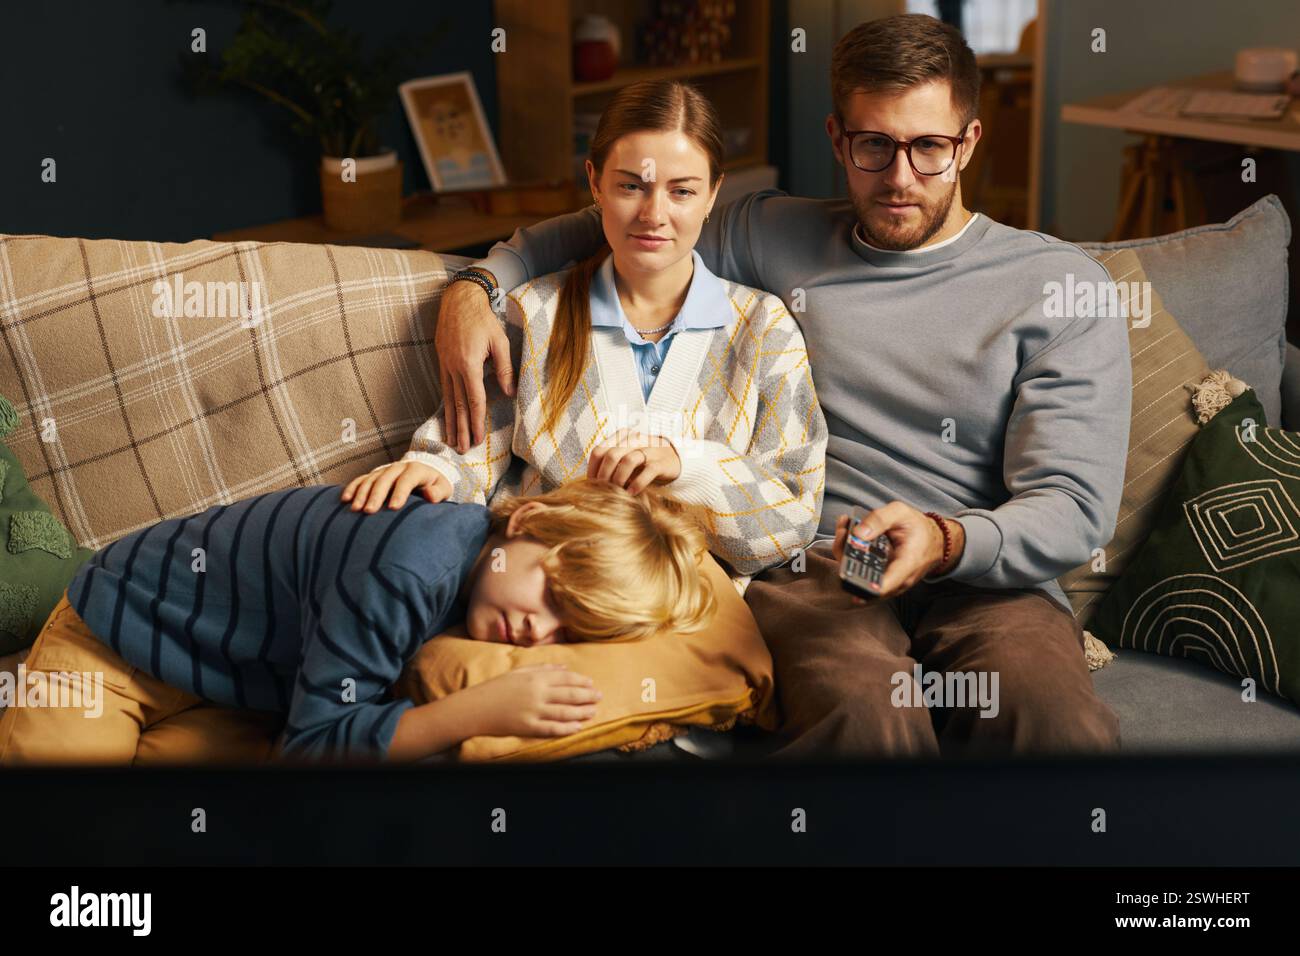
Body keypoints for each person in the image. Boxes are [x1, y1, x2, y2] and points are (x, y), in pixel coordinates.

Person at [426, 15, 1131, 757]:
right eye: (874, 146)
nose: (898, 178)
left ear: (971, 141)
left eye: (929, 148)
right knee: (866, 723)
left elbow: (1073, 507)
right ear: (837, 140)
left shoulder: (1058, 287)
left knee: (1056, 730)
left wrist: (948, 539)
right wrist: (477, 285)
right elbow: (631, 218)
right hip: (814, 565)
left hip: (988, 574)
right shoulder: (770, 233)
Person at [341, 78, 828, 580]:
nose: (654, 215)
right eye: (631, 186)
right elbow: (467, 451)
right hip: (541, 598)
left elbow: (790, 526)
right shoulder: (531, 314)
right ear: (595, 183)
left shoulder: (766, 330)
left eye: (681, 191)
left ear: (713, 194)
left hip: (687, 617)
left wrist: (689, 467)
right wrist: (433, 472)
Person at [0, 478, 716, 765]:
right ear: (524, 520)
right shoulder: (409, 568)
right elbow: (312, 748)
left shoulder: (483, 569)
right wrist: (473, 711)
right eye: (553, 598)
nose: (539, 632)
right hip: (119, 633)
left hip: (236, 687)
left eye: (568, 632)